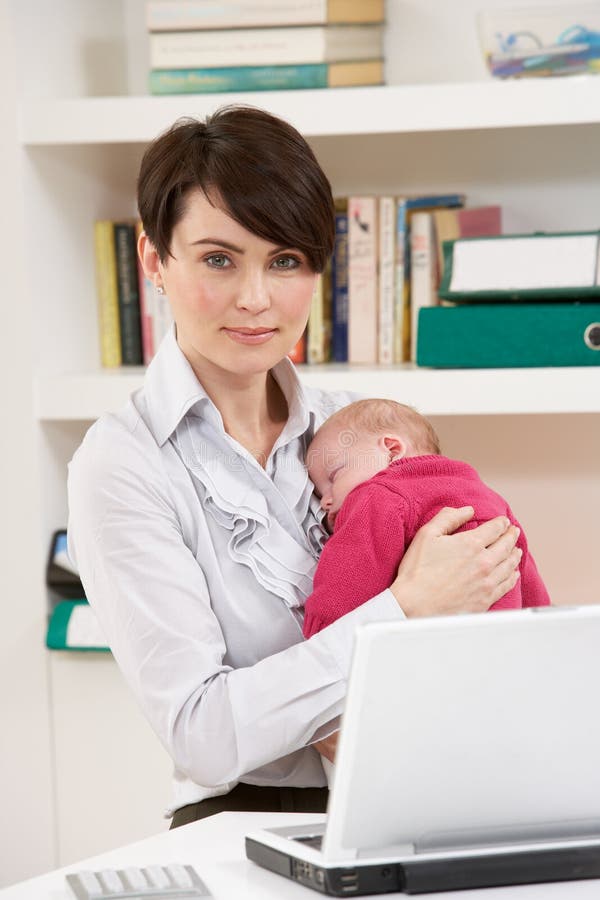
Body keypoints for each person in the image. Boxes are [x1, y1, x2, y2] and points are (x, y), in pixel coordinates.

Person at [67, 105, 522, 829]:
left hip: (432, 801)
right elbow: (205, 735)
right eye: (219, 259)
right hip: (250, 824)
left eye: (285, 261)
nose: (257, 299)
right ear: (154, 262)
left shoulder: (363, 431)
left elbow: (484, 590)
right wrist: (404, 608)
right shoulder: (124, 465)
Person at [303, 398, 550, 639]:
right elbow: (527, 582)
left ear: (391, 450)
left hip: (433, 657)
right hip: (502, 650)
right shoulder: (490, 498)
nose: (325, 501)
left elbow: (348, 580)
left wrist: (322, 630)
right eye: (320, 492)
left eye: (335, 475)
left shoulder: (376, 496)